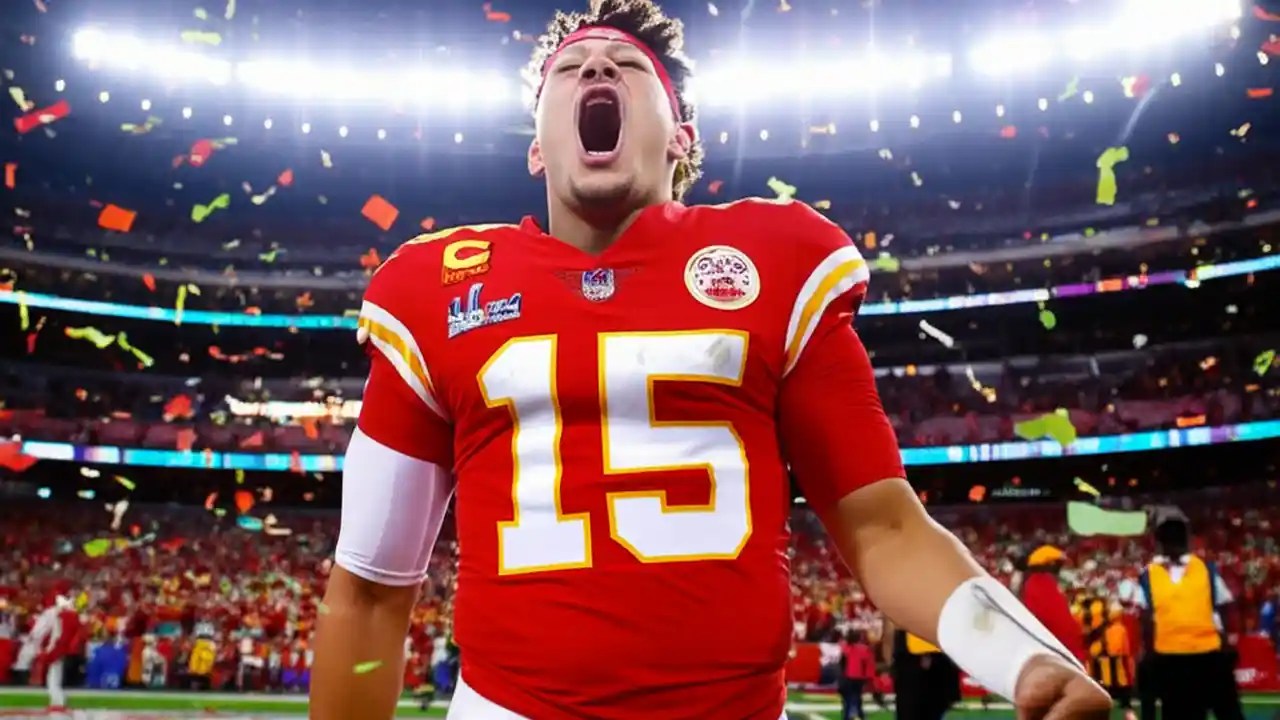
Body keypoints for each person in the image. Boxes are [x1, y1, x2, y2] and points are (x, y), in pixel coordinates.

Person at [312, 0, 1113, 718]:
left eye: (628, 65)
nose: (597, 66)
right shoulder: (436, 288)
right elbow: (372, 587)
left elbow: (885, 527)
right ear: (535, 148)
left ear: (682, 137)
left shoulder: (776, 259)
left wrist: (1021, 656)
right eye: (570, 68)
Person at [1136, 507, 1245, 720]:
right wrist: (1149, 656)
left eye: (1177, 531)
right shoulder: (1147, 576)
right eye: (1167, 532)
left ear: (1186, 537)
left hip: (1210, 657)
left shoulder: (1207, 570)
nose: (1172, 537)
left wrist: (1230, 641)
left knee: (1230, 714)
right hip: (1170, 660)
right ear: (1158, 539)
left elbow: (1225, 608)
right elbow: (1146, 619)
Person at [1020, 546, 1089, 667]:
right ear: (1050, 564)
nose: (1060, 568)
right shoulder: (1042, 584)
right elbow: (1059, 621)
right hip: (1059, 650)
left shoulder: (1035, 583)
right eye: (1059, 564)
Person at [838, 629, 875, 720]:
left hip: (849, 676)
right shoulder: (865, 649)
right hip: (859, 677)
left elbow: (842, 650)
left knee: (849, 697)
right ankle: (859, 714)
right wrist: (869, 677)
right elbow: (869, 664)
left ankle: (848, 715)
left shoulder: (848, 648)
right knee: (857, 696)